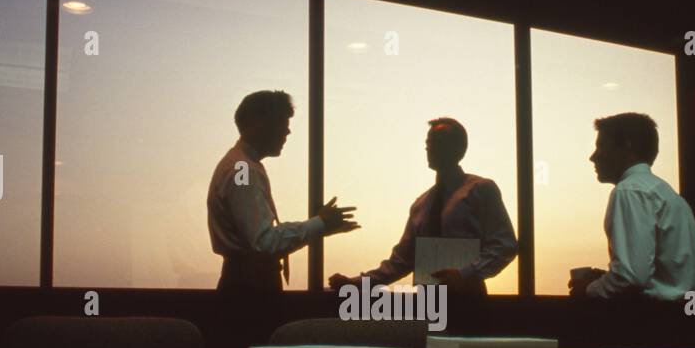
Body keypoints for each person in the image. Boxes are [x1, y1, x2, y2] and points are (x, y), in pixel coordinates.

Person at [328, 118, 516, 294]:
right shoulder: (421, 204)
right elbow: (402, 260)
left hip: (466, 298)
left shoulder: (480, 189)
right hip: (429, 300)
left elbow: (505, 245)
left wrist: (465, 274)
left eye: (437, 142)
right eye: (429, 143)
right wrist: (359, 283)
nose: (430, 148)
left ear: (459, 148)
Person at [208, 89, 358, 292]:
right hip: (250, 291)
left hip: (246, 284)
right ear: (259, 123)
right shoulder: (242, 170)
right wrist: (320, 223)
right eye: (282, 123)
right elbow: (264, 242)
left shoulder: (241, 165)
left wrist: (320, 226)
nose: (287, 132)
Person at [568, 112, 695, 302]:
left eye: (600, 147)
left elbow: (630, 277)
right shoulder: (666, 194)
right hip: (690, 311)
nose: (593, 157)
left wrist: (589, 290)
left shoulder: (629, 191)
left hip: (660, 319)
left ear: (627, 147)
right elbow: (677, 276)